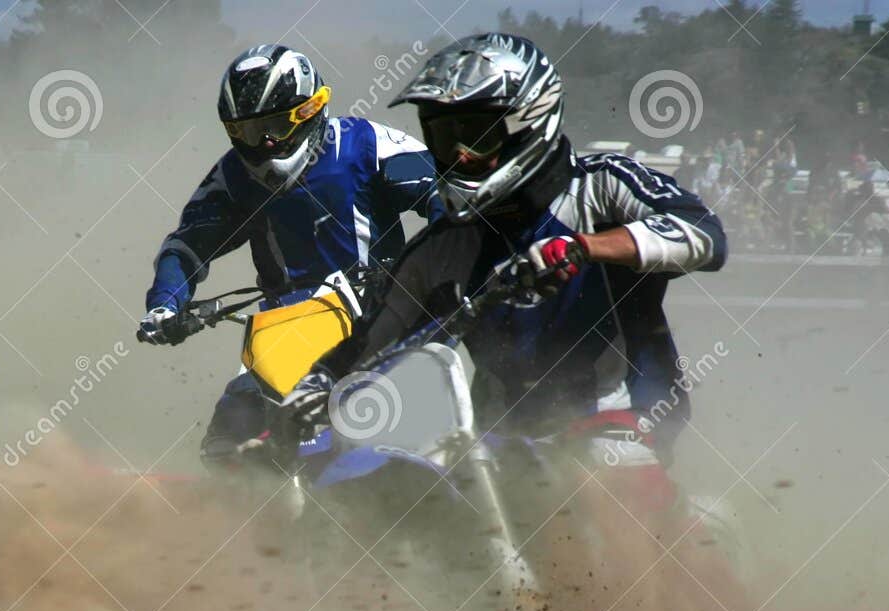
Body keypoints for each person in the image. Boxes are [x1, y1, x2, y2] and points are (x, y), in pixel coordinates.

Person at [297, 33, 727, 528]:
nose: (457, 154)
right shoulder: (445, 245)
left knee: (601, 483)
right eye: (441, 136)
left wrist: (586, 247)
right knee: (402, 500)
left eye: (474, 136)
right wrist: (314, 389)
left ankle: (716, 603)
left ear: (528, 122)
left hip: (623, 418)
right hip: (497, 437)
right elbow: (374, 338)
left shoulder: (602, 186)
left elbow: (705, 235)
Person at [136, 44, 437, 464]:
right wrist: (165, 306)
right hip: (285, 331)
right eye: (247, 133)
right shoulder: (233, 176)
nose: (265, 144)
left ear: (311, 110)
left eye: (274, 126)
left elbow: (450, 201)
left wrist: (444, 268)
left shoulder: (368, 144)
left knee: (422, 419)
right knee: (228, 439)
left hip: (384, 314)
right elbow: (187, 245)